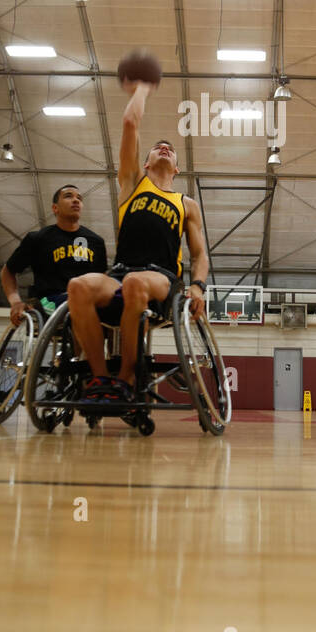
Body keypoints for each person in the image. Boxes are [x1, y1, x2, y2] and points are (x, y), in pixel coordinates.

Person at [67, 77, 210, 401]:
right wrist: (142, 89)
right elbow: (130, 122)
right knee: (77, 286)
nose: (165, 148)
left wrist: (198, 286)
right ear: (145, 164)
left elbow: (199, 255)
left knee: (135, 282)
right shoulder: (132, 184)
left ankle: (127, 377)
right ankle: (101, 381)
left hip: (161, 278)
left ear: (176, 167)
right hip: (121, 272)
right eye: (158, 147)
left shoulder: (186, 204)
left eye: (171, 150)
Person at [0, 184, 107, 326]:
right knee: (79, 304)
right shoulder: (38, 239)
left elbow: (102, 280)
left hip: (87, 300)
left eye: (79, 198)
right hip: (49, 302)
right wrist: (15, 301)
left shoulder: (96, 241)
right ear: (55, 208)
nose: (76, 200)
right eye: (69, 196)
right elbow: (8, 271)